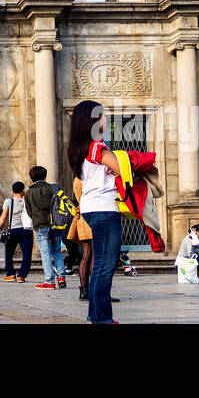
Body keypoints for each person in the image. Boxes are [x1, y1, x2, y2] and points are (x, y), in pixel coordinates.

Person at [68, 100, 123, 324]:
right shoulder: (97, 147)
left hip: (93, 207)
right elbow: (125, 169)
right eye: (102, 115)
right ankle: (100, 318)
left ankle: (96, 315)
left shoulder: (82, 149)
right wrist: (119, 164)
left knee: (100, 263)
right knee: (105, 264)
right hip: (104, 208)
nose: (106, 119)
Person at [24, 165, 67, 289]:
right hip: (57, 224)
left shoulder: (29, 193)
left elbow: (29, 212)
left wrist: (37, 218)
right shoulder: (53, 188)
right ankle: (61, 276)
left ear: (31, 178)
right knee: (57, 251)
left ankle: (49, 281)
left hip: (41, 225)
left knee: (45, 253)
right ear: (45, 176)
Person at [0, 181, 34, 282]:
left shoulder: (8, 201)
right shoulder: (27, 201)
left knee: (8, 253)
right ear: (23, 190)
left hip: (13, 230)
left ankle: (11, 274)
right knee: (27, 254)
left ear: (13, 191)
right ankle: (22, 276)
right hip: (26, 230)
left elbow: (3, 217)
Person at [67, 177, 93, 300]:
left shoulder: (78, 179)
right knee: (96, 257)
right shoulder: (90, 177)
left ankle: (84, 291)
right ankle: (96, 290)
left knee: (85, 256)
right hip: (94, 216)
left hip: (83, 218)